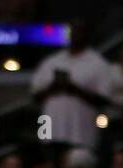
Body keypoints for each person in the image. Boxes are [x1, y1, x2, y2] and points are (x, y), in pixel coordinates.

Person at [29, 18, 113, 152]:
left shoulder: (98, 64)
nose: (75, 35)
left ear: (87, 34)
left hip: (81, 134)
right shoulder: (52, 62)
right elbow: (35, 96)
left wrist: (75, 89)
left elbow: (104, 99)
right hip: (49, 131)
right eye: (73, 31)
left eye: (80, 31)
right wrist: (53, 87)